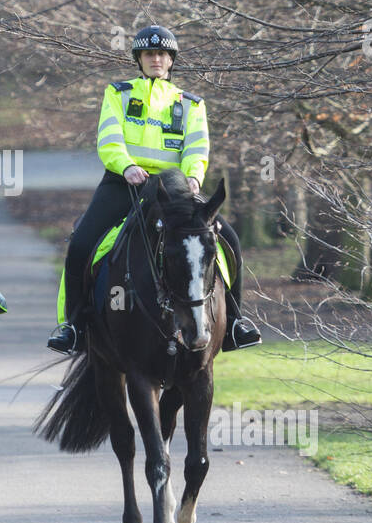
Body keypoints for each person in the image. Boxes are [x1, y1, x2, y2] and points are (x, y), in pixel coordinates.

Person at [47, 25, 262, 355]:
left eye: (162, 54)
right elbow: (109, 138)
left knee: (228, 239)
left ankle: (234, 322)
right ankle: (72, 325)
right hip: (125, 183)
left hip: (175, 189)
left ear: (171, 60)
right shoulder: (117, 94)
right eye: (149, 54)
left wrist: (193, 177)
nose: (156, 59)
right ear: (139, 59)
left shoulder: (191, 105)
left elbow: (196, 147)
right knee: (81, 243)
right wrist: (127, 166)